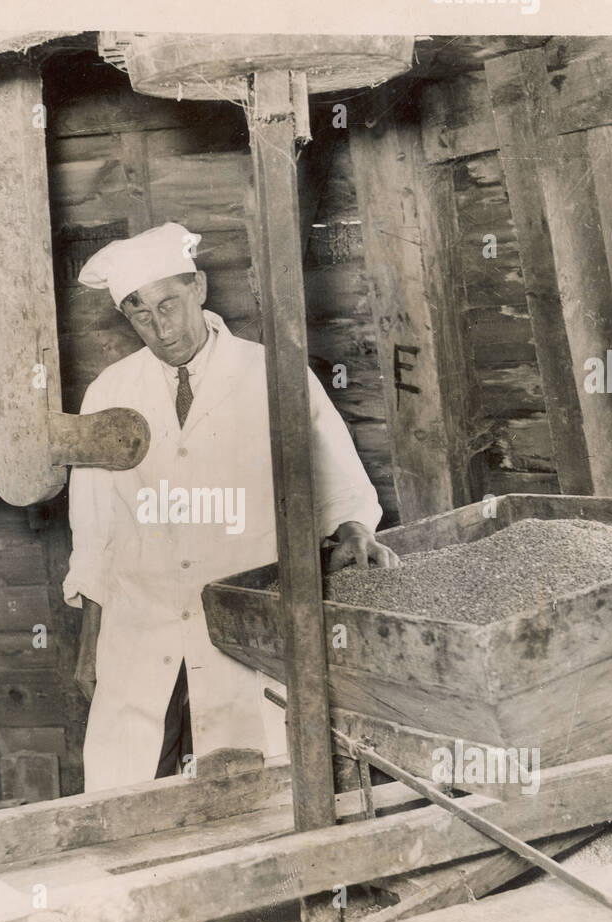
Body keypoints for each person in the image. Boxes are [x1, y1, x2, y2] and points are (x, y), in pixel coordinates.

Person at [63, 222, 399, 792]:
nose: (159, 326)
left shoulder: (273, 374)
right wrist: (90, 644)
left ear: (198, 288)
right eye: (139, 313)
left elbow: (340, 485)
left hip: (248, 621)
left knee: (257, 784)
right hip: (141, 625)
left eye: (168, 302)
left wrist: (355, 531)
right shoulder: (107, 394)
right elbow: (93, 536)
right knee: (128, 788)